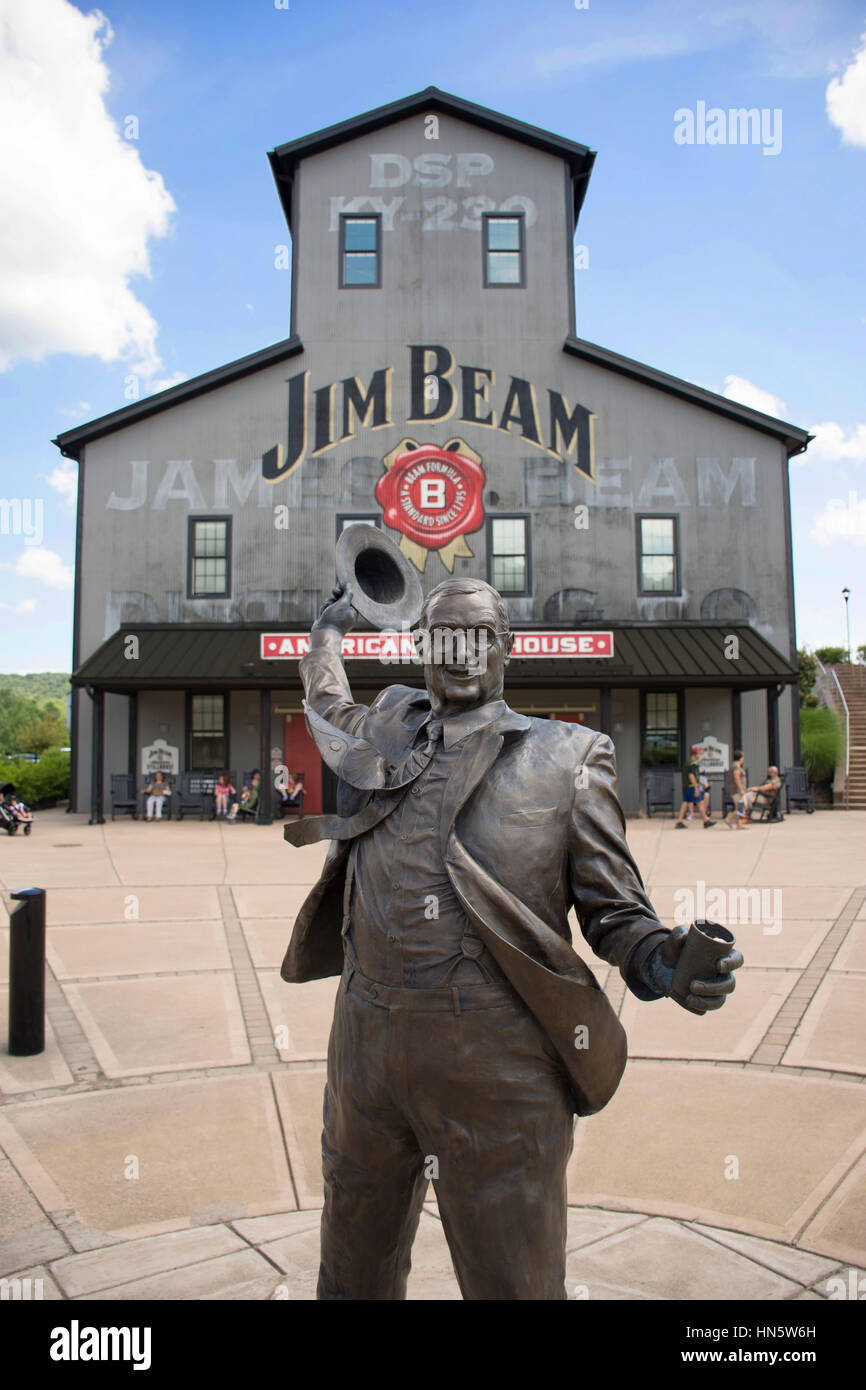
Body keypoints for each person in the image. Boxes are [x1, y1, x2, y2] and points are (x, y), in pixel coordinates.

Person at [280, 577, 742, 1301]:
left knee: (513, 1286)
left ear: (507, 648)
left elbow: (614, 909)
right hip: (364, 1051)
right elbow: (324, 700)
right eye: (442, 637)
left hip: (497, 1067)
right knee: (349, 1275)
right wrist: (326, 634)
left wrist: (660, 960)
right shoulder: (385, 727)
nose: (460, 654)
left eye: (478, 636)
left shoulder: (568, 756)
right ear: (421, 647)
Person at [675, 749, 715, 828]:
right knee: (700, 803)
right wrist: (696, 787)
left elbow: (693, 777)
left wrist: (701, 783)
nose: (700, 755)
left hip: (686, 787)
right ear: (694, 754)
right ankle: (706, 822)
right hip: (692, 787)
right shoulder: (693, 764)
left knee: (685, 803)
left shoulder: (687, 763)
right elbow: (691, 776)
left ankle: (679, 821)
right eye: (699, 754)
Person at [724, 750, 747, 829]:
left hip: (736, 790)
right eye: (743, 757)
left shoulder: (735, 766)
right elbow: (737, 778)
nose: (743, 759)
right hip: (736, 791)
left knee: (739, 806)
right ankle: (728, 819)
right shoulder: (736, 767)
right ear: (740, 758)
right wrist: (741, 789)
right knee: (741, 806)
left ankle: (739, 825)